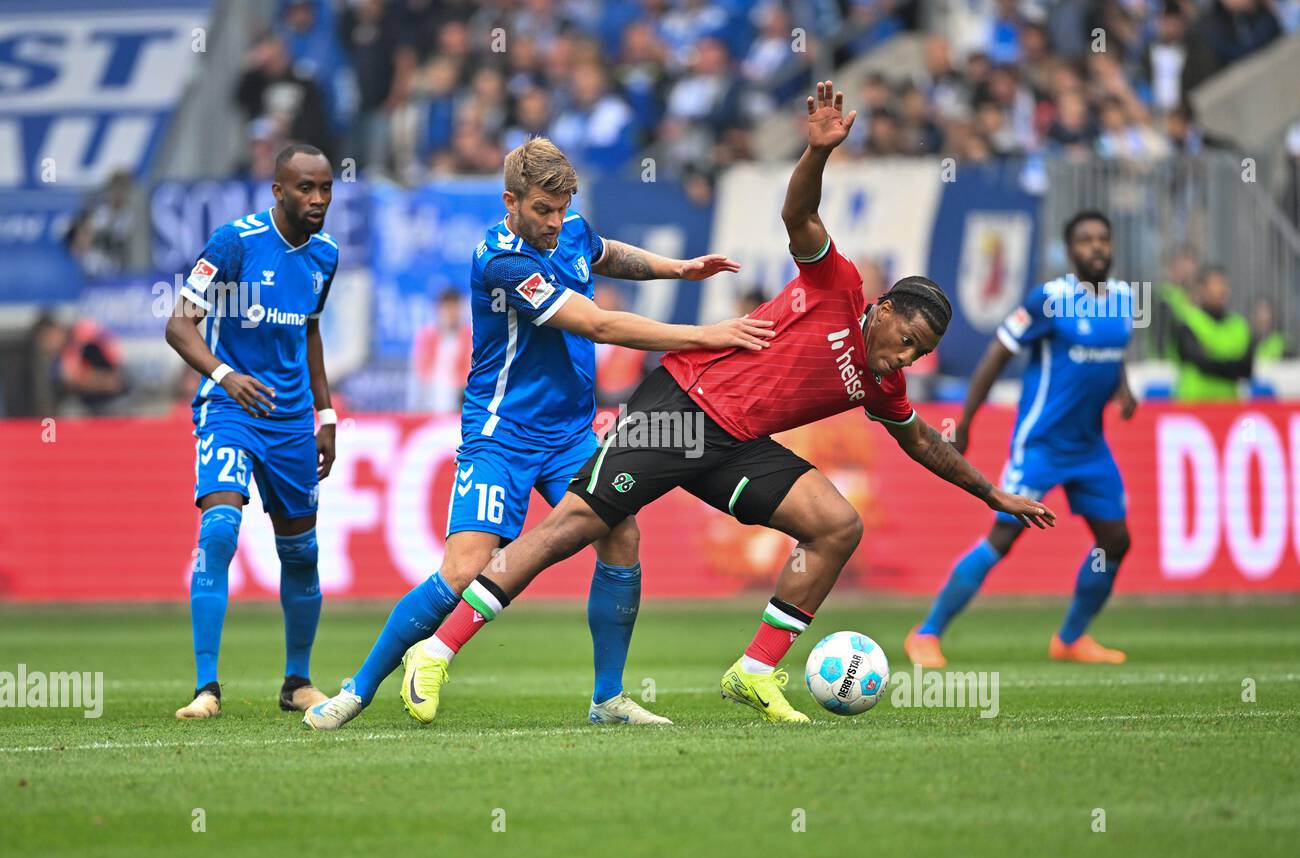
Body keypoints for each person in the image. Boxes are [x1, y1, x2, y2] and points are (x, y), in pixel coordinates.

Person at [397, 82, 1053, 725]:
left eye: (918, 354)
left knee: (835, 526)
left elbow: (922, 442)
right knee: (572, 528)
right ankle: (438, 649)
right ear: (881, 312)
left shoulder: (881, 382)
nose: (906, 359)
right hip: (681, 408)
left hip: (735, 445)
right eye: (907, 341)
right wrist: (818, 152)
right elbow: (798, 215)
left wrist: (992, 496)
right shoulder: (838, 285)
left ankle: (756, 671)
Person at [304, 137, 769, 730]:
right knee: (465, 567)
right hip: (502, 434)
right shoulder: (500, 262)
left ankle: (608, 699)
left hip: (570, 433)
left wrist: (674, 268)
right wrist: (706, 334)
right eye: (543, 211)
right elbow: (597, 323)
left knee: (621, 535)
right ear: (511, 202)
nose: (555, 222)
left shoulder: (567, 226)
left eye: (562, 208)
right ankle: (357, 691)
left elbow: (604, 253)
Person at [907, 210, 1138, 668]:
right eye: (1086, 240)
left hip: (1090, 447)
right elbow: (997, 355)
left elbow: (1111, 354)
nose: (1096, 247)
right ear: (1070, 252)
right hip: (1042, 445)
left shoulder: (1125, 298)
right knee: (1003, 536)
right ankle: (926, 633)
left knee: (1116, 540)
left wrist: (1124, 388)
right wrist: (966, 422)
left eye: (1103, 239)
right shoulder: (1048, 300)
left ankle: (1070, 639)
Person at [164, 144, 340, 719]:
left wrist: (327, 414)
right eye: (304, 188)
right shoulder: (235, 242)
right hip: (230, 409)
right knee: (219, 530)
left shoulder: (325, 256)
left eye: (325, 189)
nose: (316, 199)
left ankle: (297, 682)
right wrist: (225, 374)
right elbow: (179, 323)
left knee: (302, 553)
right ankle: (206, 689)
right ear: (278, 190)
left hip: (291, 422)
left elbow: (309, 334)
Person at [1165, 266, 1252, 401]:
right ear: (1201, 289)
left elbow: (1247, 369)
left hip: (1229, 408)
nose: (1221, 290)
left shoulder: (1240, 325)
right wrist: (1231, 362)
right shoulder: (1188, 323)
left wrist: (1211, 356)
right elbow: (1199, 361)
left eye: (1224, 284)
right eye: (1215, 284)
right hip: (1193, 409)